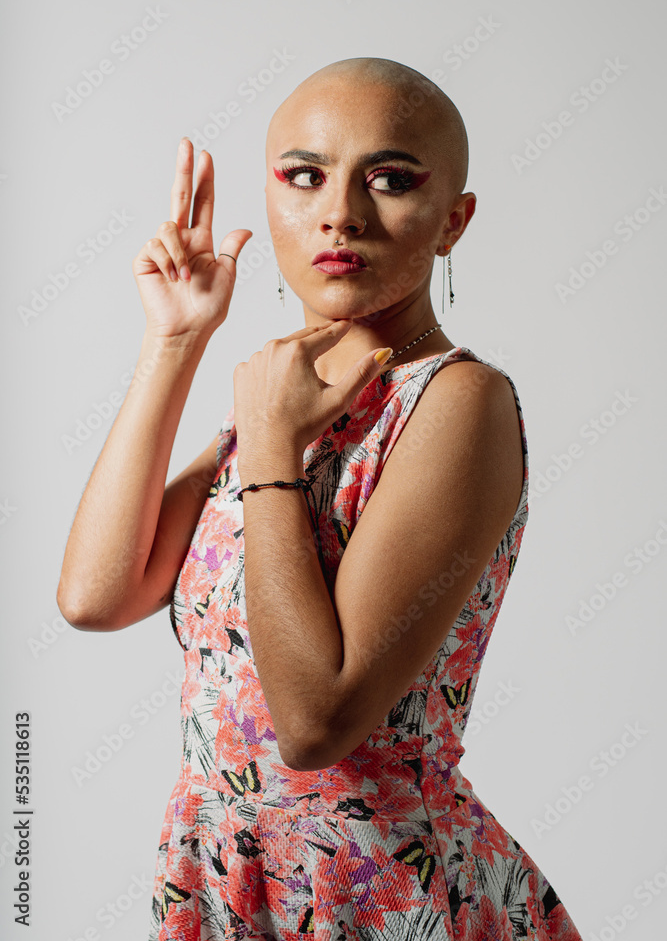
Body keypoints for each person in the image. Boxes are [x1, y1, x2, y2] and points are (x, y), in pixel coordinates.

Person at [57, 57, 584, 940]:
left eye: (389, 179)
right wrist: (177, 341)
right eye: (304, 176)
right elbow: (96, 596)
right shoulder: (280, 397)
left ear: (452, 220)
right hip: (226, 874)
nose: (339, 211)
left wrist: (268, 445)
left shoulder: (457, 403)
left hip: (380, 890)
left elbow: (313, 723)